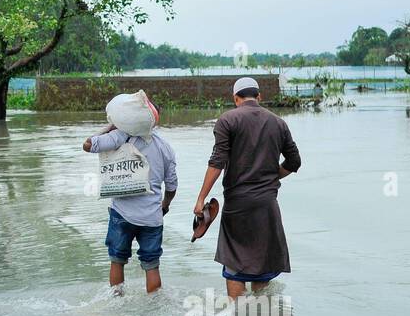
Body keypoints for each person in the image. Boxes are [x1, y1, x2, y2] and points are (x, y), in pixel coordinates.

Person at [191, 77, 302, 299]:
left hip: (237, 206)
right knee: (262, 268)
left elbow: (217, 162)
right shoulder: (278, 123)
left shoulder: (227, 120)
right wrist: (272, 175)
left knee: (235, 266)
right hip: (267, 205)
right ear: (259, 96)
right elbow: (294, 161)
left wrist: (201, 198)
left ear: (235, 98)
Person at [83, 94, 178, 294]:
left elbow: (88, 145)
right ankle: (154, 304)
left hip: (122, 214)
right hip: (152, 217)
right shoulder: (164, 147)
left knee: (117, 260)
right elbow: (172, 185)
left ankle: (116, 300)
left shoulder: (119, 137)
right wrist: (165, 205)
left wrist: (111, 126)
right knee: (151, 264)